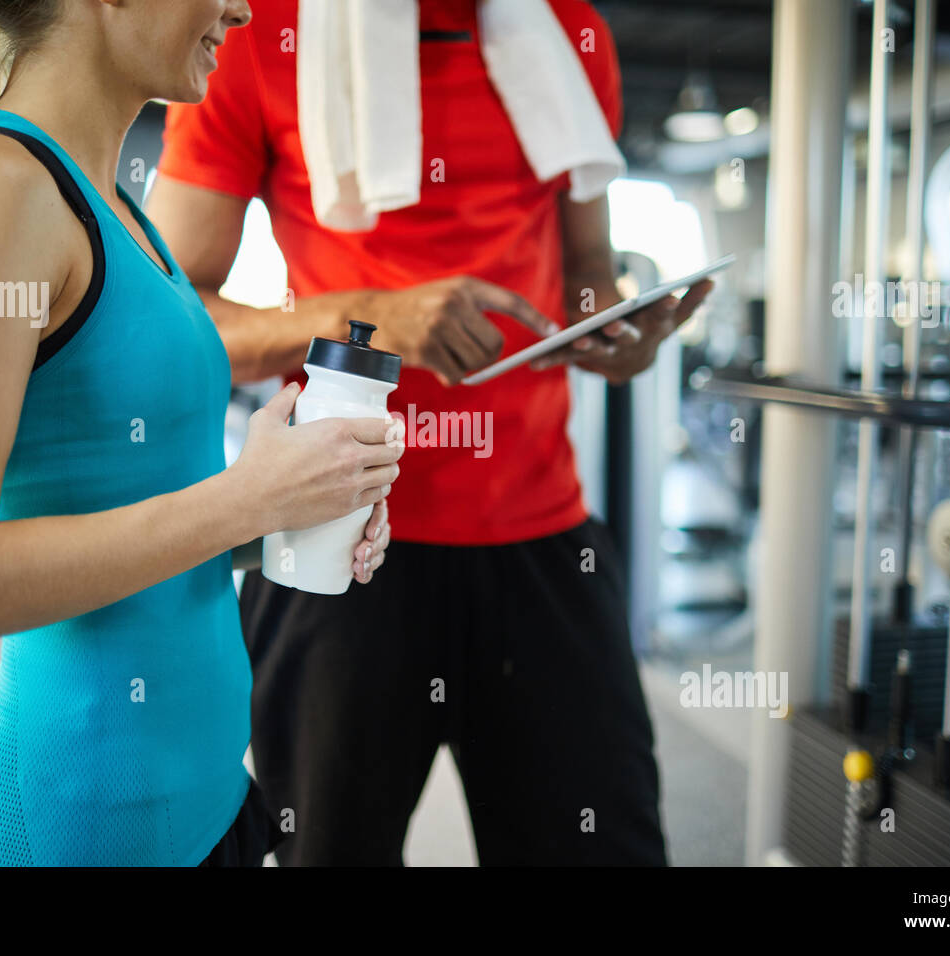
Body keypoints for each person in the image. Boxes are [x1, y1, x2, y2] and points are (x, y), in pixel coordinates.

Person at [0, 0, 403, 866]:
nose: (241, 8)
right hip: (79, 828)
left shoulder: (117, 209)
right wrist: (243, 501)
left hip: (203, 808)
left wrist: (287, 511)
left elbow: (127, 517)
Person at [146, 0, 712, 865]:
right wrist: (367, 318)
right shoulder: (259, 33)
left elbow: (586, 281)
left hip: (542, 535)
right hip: (337, 532)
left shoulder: (570, 30)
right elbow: (176, 317)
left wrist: (619, 335)